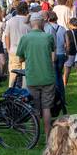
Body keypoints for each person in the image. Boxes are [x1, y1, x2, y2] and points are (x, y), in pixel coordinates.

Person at [16, 12, 56, 140]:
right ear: (42, 23)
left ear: (31, 24)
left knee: (35, 108)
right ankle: (48, 136)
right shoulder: (48, 37)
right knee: (46, 107)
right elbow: (53, 55)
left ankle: (35, 136)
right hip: (47, 76)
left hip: (32, 77)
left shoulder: (25, 38)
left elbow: (20, 58)